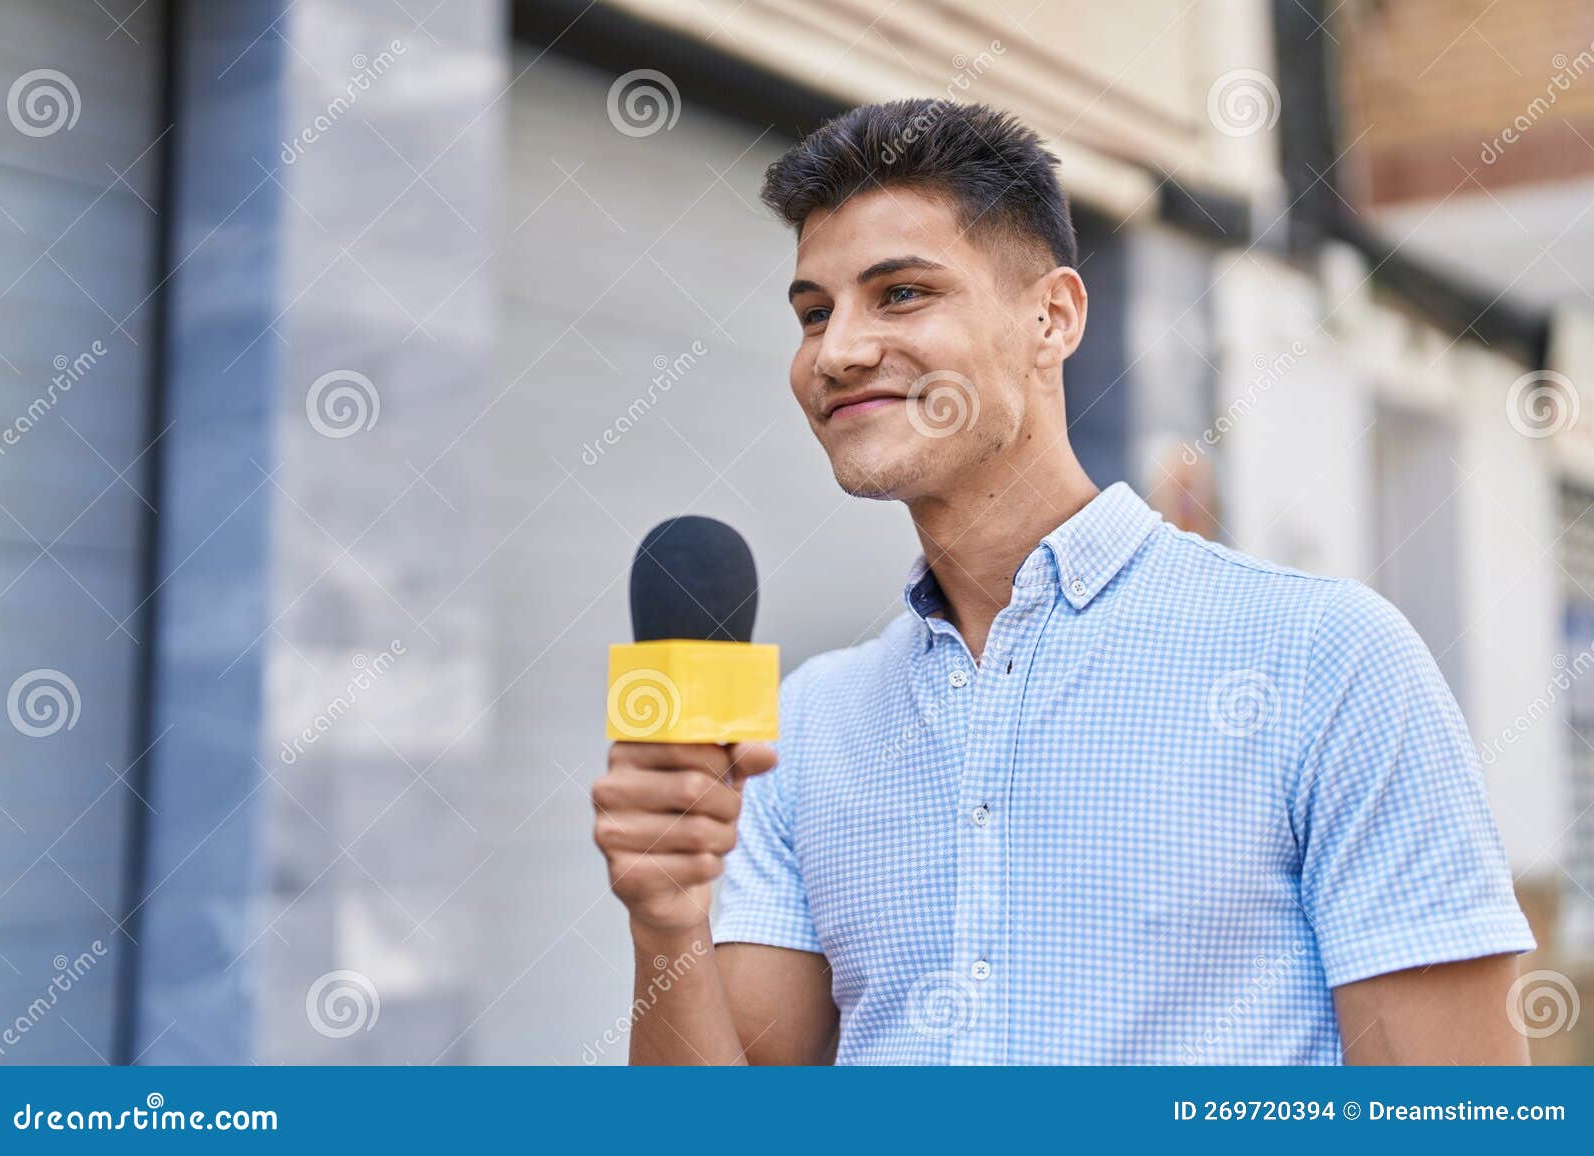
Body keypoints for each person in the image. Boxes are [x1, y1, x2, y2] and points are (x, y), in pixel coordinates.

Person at [591, 99, 1535, 1065]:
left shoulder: (1324, 659)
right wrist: (665, 917)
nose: (837, 352)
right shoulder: (807, 728)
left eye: (903, 293)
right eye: (813, 313)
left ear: (1054, 316)